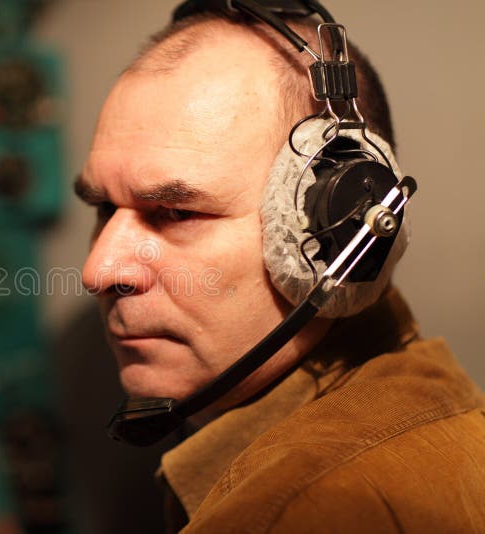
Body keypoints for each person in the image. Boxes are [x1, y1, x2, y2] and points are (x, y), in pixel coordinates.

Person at [74, 5, 485, 533]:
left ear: (338, 230)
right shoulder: (431, 413)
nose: (98, 270)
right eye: (103, 207)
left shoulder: (294, 513)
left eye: (175, 213)